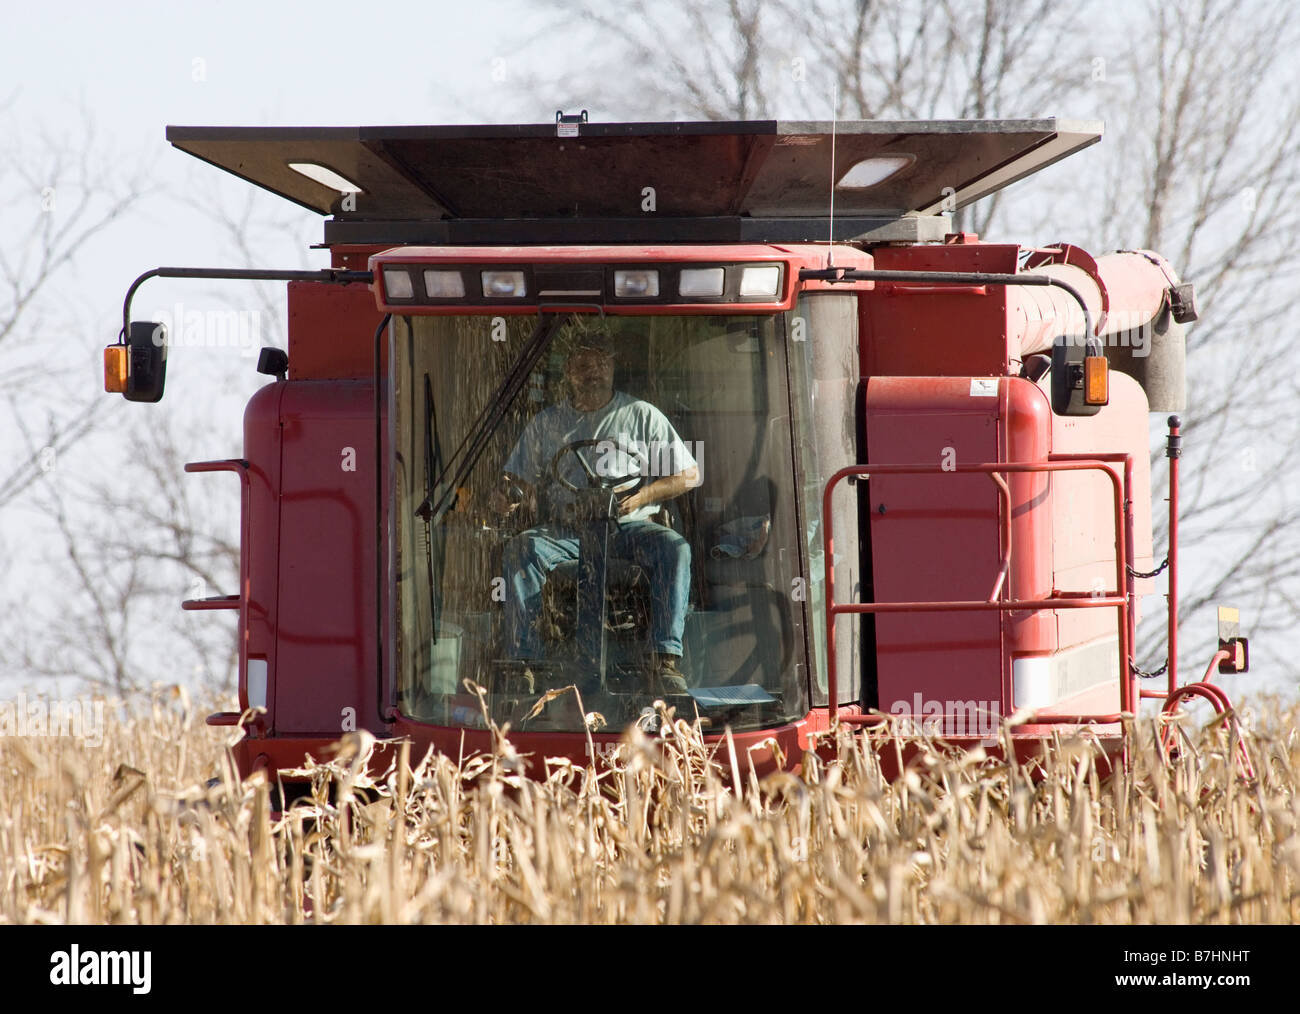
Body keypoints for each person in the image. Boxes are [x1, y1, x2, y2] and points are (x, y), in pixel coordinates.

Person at [491, 333, 699, 694]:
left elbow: (689, 475)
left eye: (603, 363)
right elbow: (519, 480)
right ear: (569, 372)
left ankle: (664, 658)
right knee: (522, 548)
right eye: (585, 364)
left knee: (674, 548)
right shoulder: (547, 423)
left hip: (630, 529)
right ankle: (524, 661)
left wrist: (642, 496)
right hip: (567, 532)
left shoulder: (641, 416)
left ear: (614, 368)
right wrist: (509, 495)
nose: (595, 372)